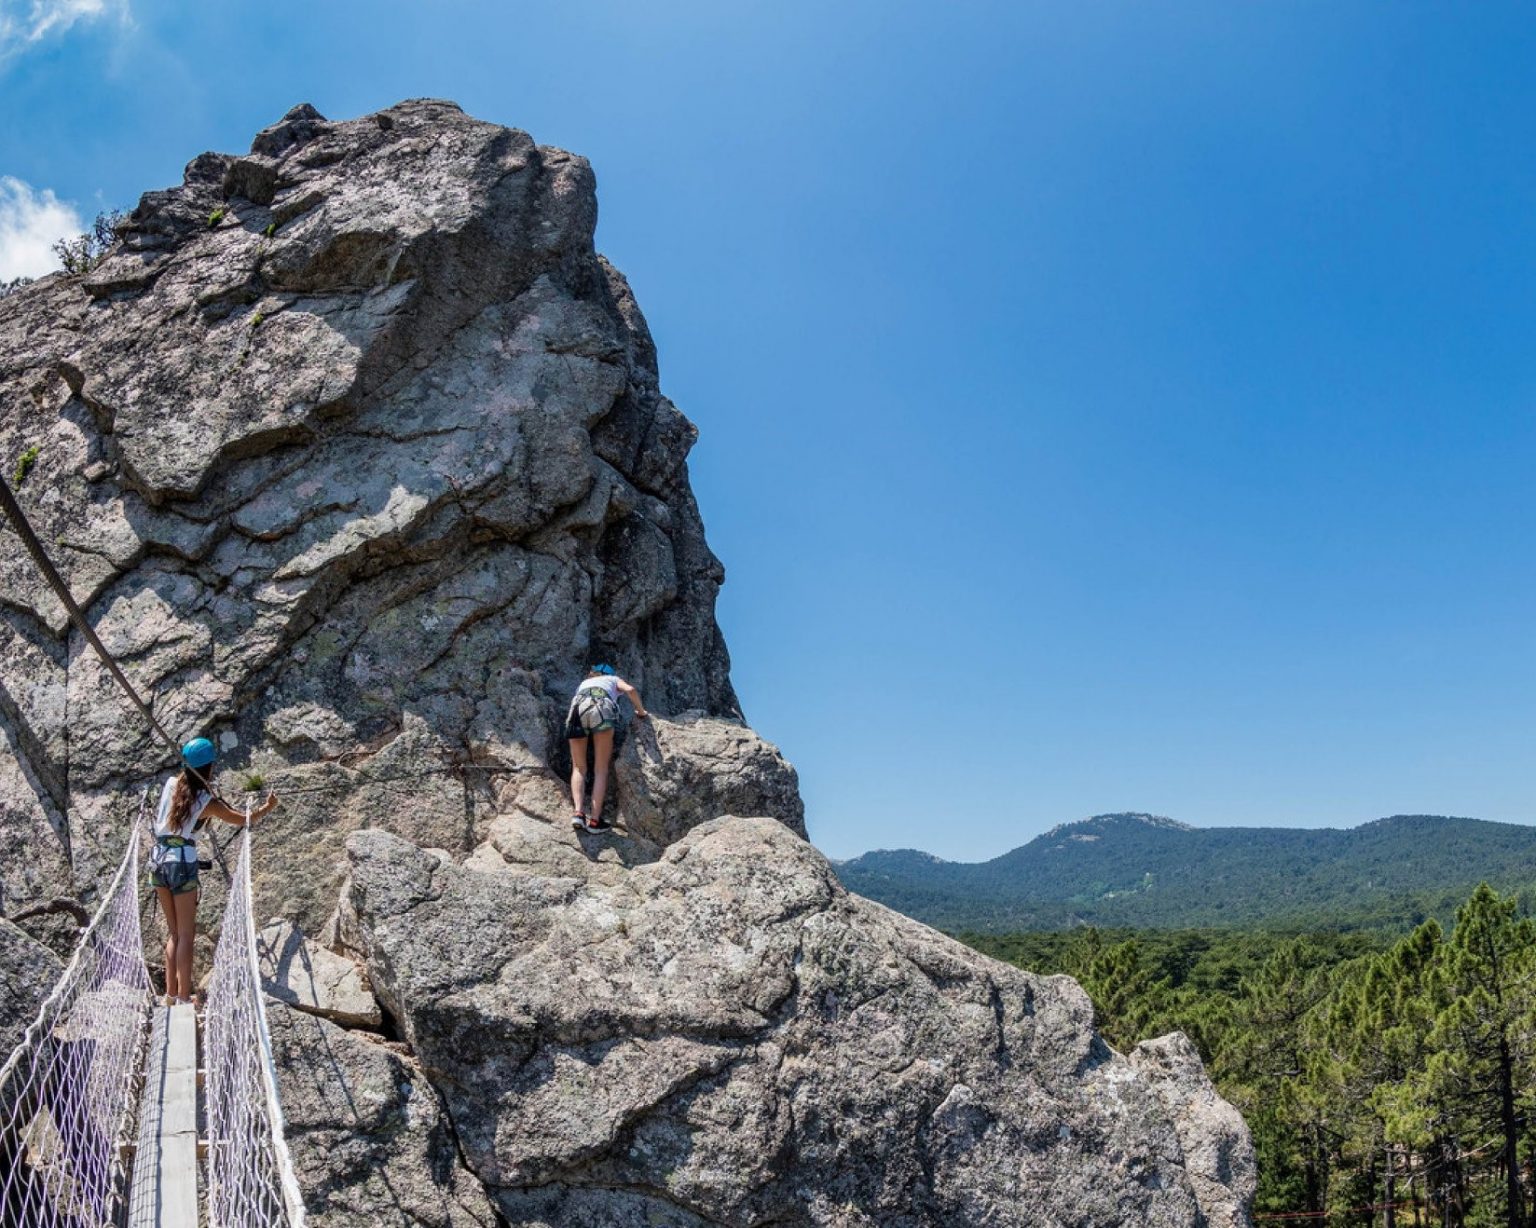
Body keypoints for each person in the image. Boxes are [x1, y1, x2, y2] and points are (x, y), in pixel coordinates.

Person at [150, 737, 278, 1005]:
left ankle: (170, 995)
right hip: (182, 862)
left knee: (174, 933)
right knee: (187, 934)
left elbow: (184, 792)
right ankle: (185, 998)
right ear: (209, 767)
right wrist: (268, 807)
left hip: (158, 860)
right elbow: (244, 819)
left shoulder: (171, 784)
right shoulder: (208, 802)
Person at [564, 664, 648, 832]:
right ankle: (595, 821)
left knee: (579, 767)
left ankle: (578, 813)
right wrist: (641, 711)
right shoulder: (613, 679)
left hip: (577, 711)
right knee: (601, 769)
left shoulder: (583, 684)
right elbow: (630, 690)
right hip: (600, 709)